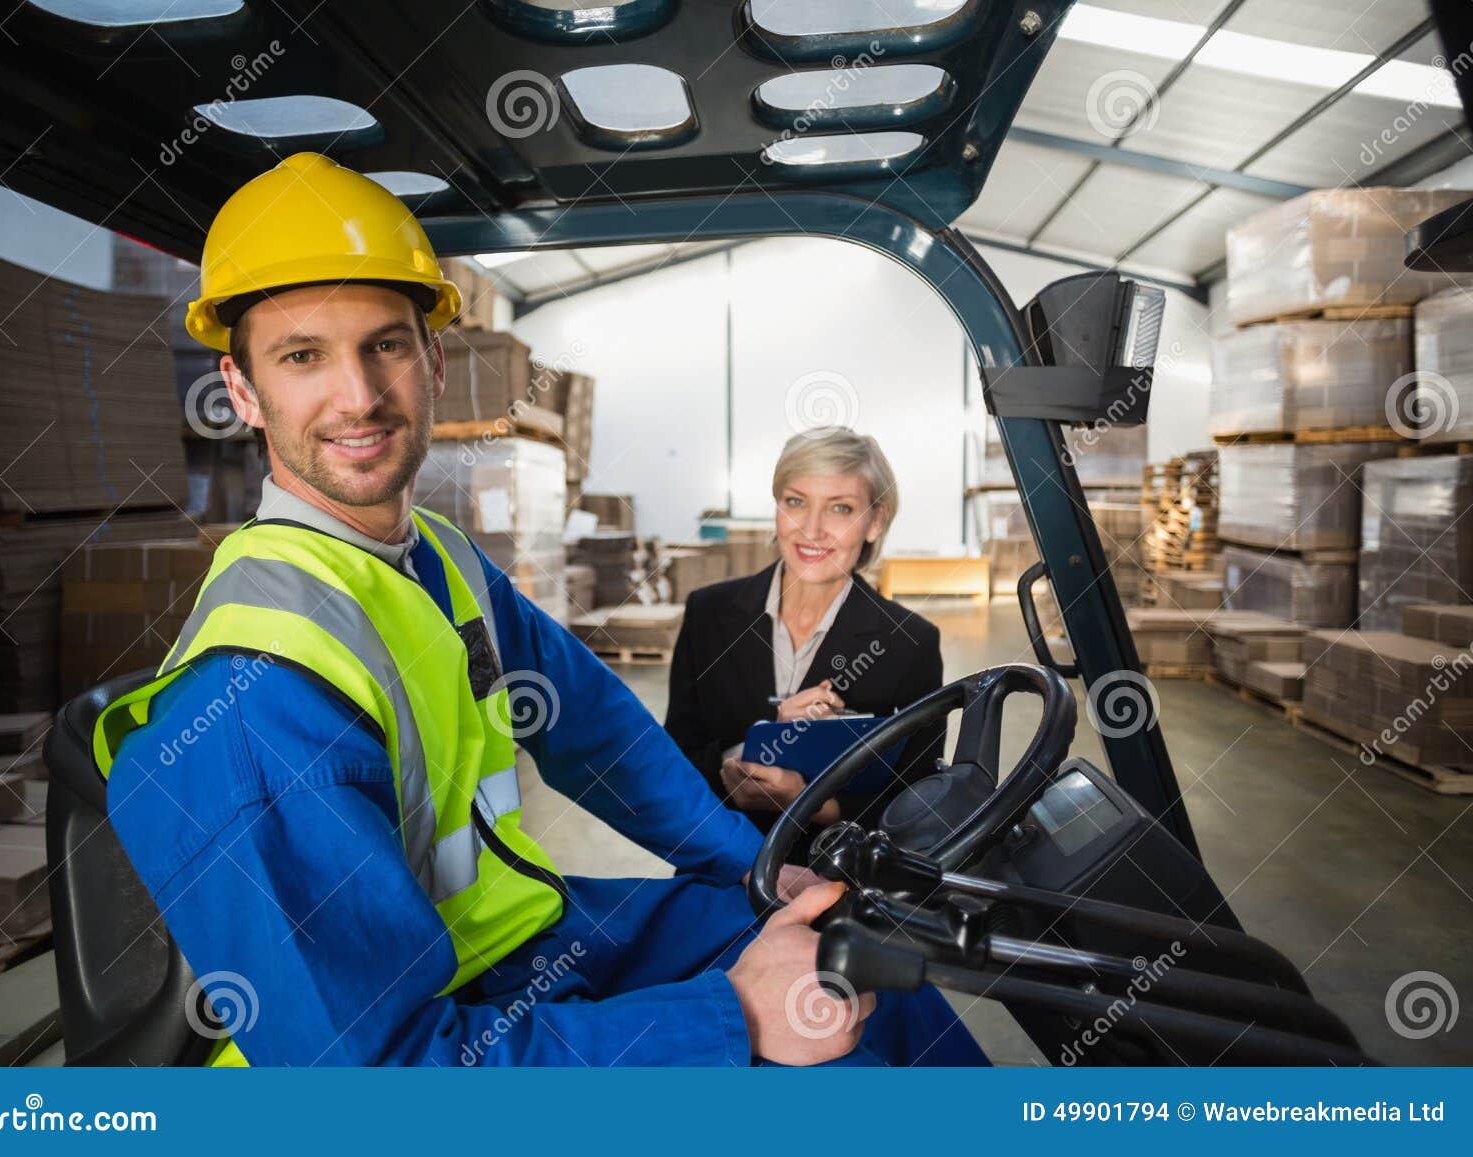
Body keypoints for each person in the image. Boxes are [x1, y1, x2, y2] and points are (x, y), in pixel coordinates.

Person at [97, 152, 985, 1068]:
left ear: (434, 361)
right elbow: (376, 1080)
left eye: (385, 344)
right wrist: (732, 1020)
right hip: (434, 1039)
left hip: (522, 944)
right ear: (242, 389)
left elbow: (598, 733)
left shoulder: (438, 560)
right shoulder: (252, 698)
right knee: (823, 1045)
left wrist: (753, 866)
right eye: (302, 356)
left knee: (856, 960)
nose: (358, 395)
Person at [665, 429, 949, 861]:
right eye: (796, 502)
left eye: (840, 508)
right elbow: (675, 758)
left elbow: (918, 806)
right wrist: (746, 754)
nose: (811, 530)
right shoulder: (709, 613)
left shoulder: (912, 644)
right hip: (716, 867)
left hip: (835, 882)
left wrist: (813, 802)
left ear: (875, 521)